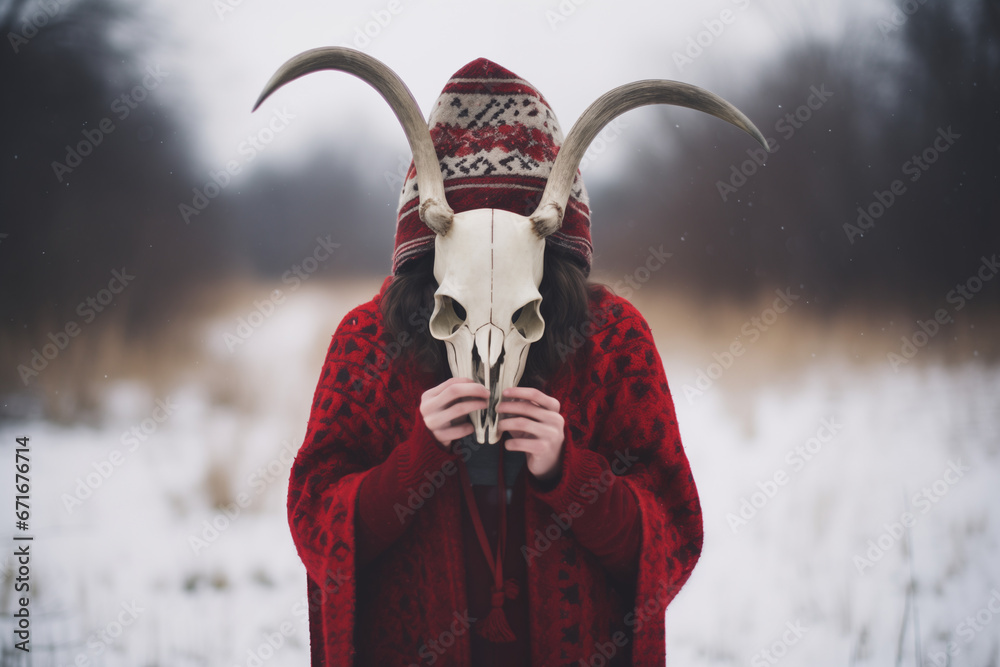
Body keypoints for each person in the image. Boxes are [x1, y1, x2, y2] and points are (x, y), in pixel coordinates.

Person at [284, 56, 704, 667]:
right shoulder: (368, 345)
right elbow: (319, 530)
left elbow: (670, 541)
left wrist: (570, 473)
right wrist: (412, 462)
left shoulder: (613, 344)